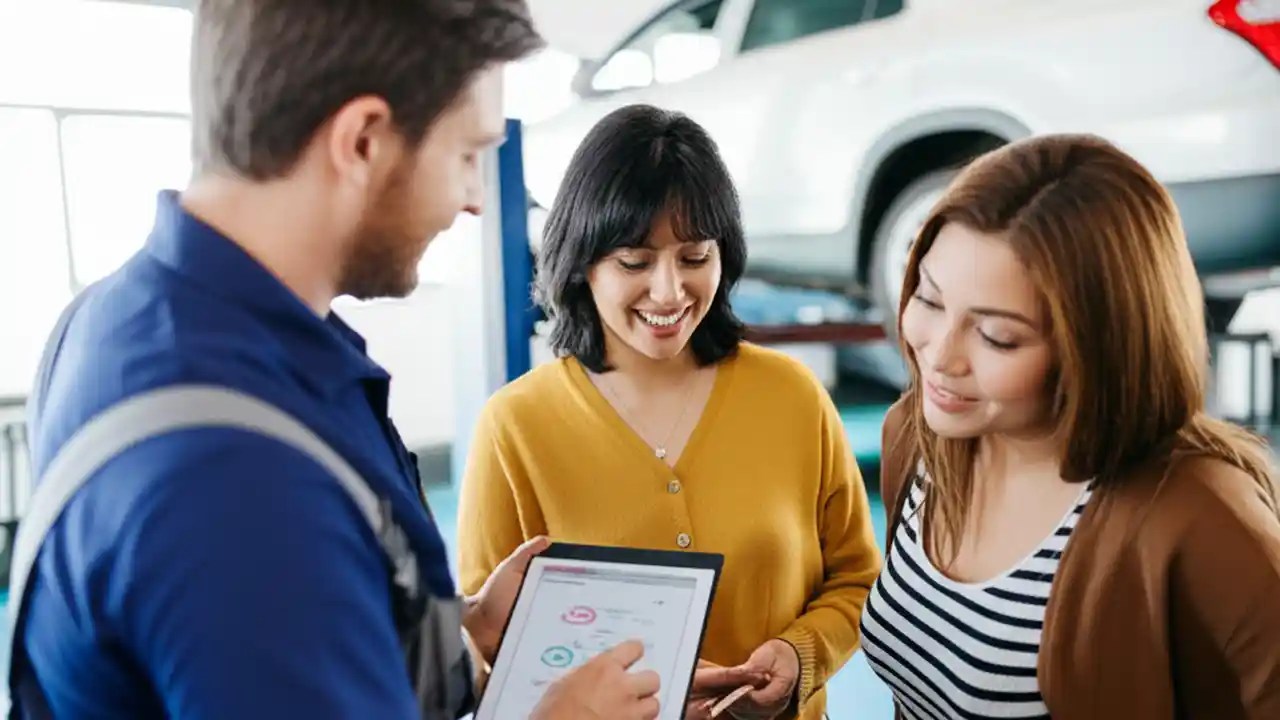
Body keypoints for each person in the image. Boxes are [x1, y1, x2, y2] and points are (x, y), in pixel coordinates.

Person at [10, 2, 660, 718]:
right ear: (363, 142)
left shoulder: (115, 319)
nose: (475, 199)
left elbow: (265, 644)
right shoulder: (244, 490)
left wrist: (455, 628)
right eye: (468, 155)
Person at [457, 103, 884, 720]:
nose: (669, 291)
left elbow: (857, 578)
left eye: (694, 257)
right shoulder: (515, 427)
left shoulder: (792, 396)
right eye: (635, 261)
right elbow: (490, 652)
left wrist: (798, 657)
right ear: (583, 262)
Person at [860, 134, 1280, 719]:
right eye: (929, 300)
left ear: (1097, 346)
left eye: (996, 336)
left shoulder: (1202, 512)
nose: (939, 354)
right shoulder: (918, 436)